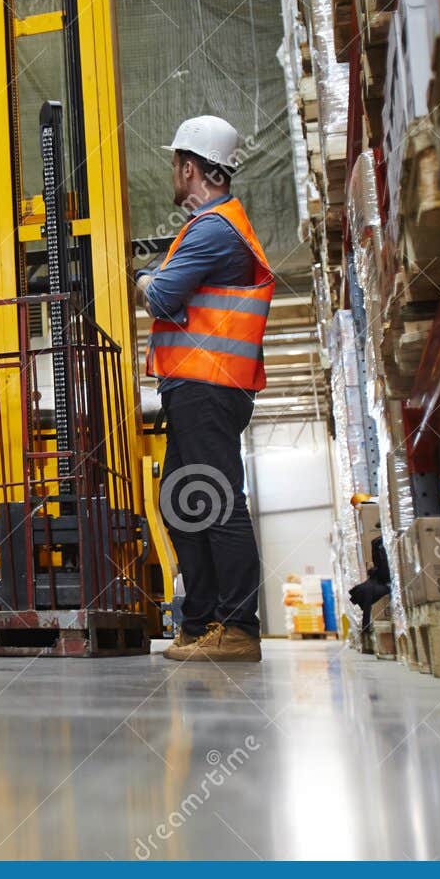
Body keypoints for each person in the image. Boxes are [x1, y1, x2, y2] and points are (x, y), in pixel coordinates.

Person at [136, 115, 272, 663]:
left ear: (190, 167)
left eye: (175, 163)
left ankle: (238, 627)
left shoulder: (215, 229)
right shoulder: (208, 227)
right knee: (181, 501)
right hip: (196, 385)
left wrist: (145, 279)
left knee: (215, 501)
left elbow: (163, 298)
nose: (174, 171)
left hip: (209, 385)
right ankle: (204, 621)